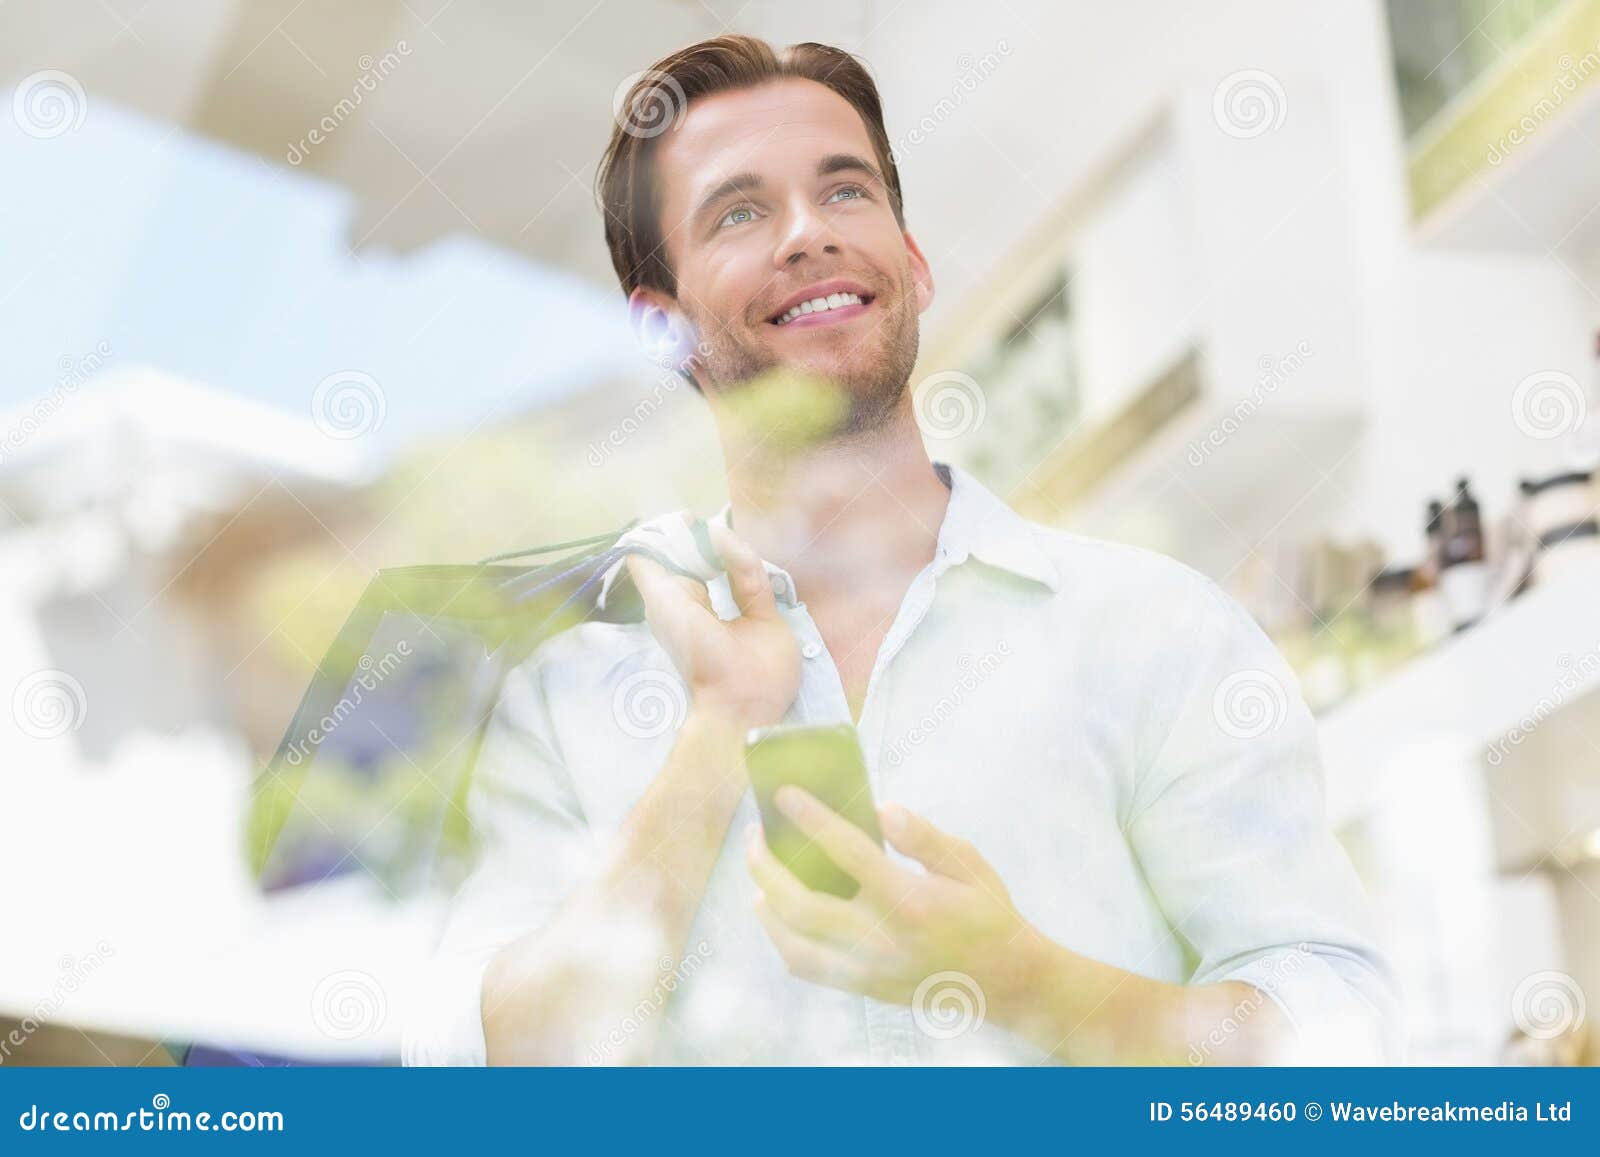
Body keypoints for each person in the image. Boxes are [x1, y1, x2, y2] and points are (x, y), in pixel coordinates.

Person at [404, 35, 1402, 1066]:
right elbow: (494, 1069)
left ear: (912, 264)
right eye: (739, 211)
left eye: (845, 192)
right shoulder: (573, 698)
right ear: (662, 326)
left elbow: (1341, 1033)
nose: (807, 234)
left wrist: (1029, 983)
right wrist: (714, 730)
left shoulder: (1155, 628)